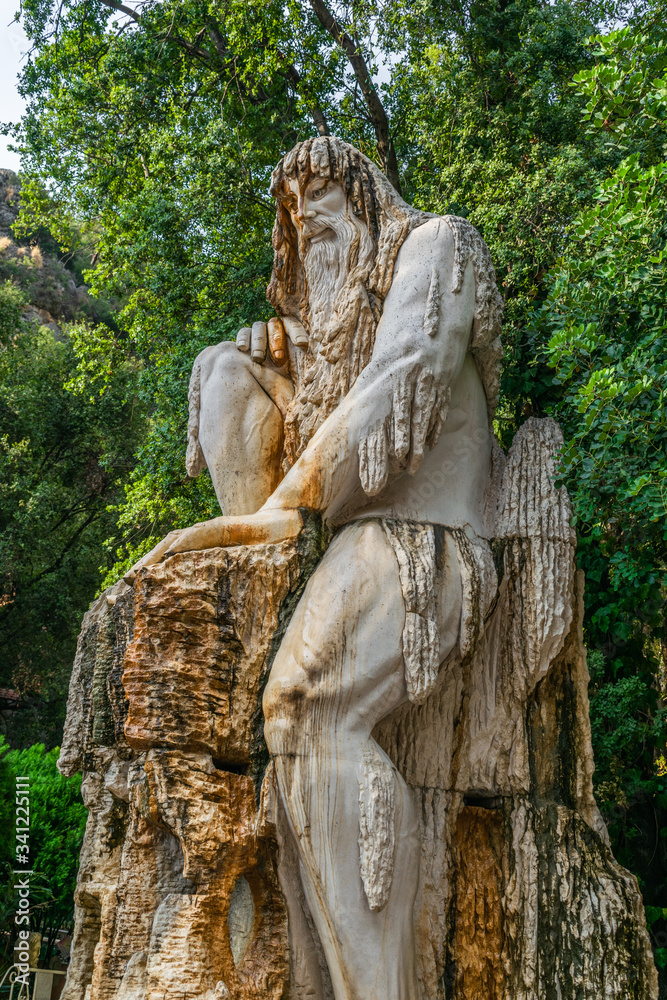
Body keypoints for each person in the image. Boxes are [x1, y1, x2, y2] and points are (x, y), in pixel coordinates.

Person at [128, 137, 502, 1000]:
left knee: (306, 708)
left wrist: (286, 502)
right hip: (340, 542)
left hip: (427, 541)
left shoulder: (437, 246)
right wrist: (269, 366)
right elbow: (325, 398)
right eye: (291, 210)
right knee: (221, 365)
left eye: (324, 190)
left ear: (369, 193)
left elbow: (407, 373)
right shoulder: (323, 329)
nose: (306, 217)